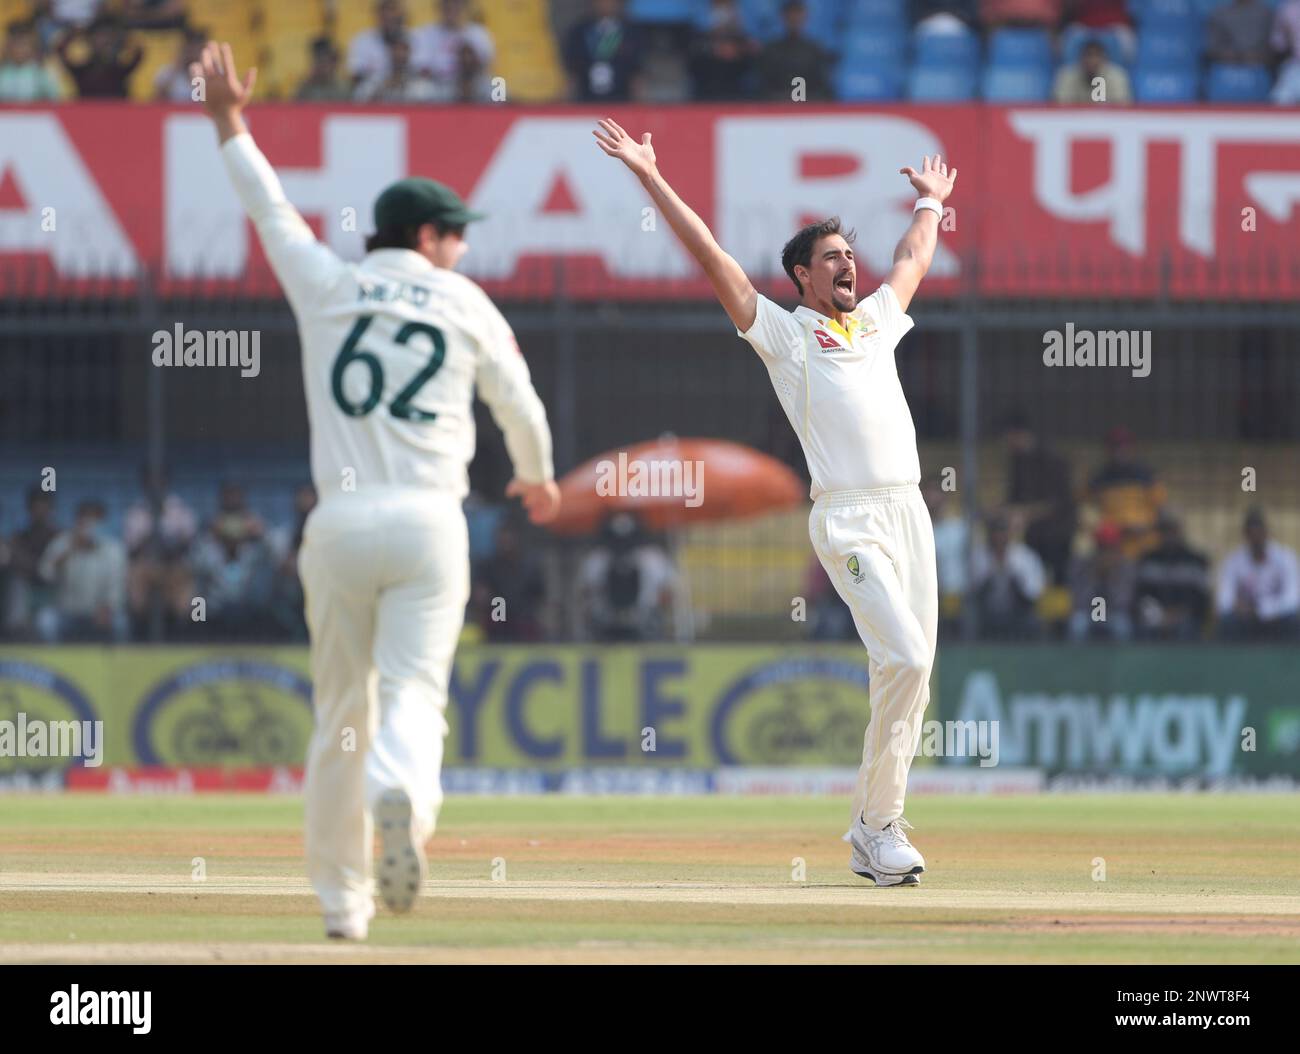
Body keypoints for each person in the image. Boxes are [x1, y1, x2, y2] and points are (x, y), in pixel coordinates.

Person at [193, 42, 558, 940]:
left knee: (338, 716)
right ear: (426, 239)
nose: (463, 245)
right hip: (434, 520)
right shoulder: (465, 301)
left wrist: (226, 119)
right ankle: (401, 790)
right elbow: (523, 404)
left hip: (342, 522)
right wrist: (538, 480)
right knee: (412, 700)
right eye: (456, 232)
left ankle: (341, 904)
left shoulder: (329, 285)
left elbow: (272, 211)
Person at [596, 117, 956, 886]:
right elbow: (713, 259)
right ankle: (879, 825)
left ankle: (874, 831)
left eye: (848, 254)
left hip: (909, 513)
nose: (847, 264)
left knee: (913, 675)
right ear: (801, 277)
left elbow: (913, 259)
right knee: (908, 655)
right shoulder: (787, 336)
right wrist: (650, 176)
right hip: (848, 517)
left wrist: (929, 203)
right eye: (831, 259)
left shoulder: (877, 322)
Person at [36, 499, 127, 643]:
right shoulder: (62, 543)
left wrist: (108, 607)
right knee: (46, 621)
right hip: (67, 613)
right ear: (77, 521)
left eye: (94, 521)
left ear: (102, 523)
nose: (89, 526)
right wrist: (70, 549)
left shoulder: (113, 549)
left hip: (100, 613)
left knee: (121, 623)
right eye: (85, 521)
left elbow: (116, 587)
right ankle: (55, 663)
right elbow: (45, 574)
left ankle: (120, 663)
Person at [577, 513, 677, 642]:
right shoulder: (653, 558)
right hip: (612, 626)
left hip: (637, 625)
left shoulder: (597, 559)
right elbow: (669, 593)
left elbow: (585, 594)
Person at [1002, 412, 1076, 582]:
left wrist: (1024, 514)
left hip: (1056, 533)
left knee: (1058, 581)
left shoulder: (1051, 459)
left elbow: (1056, 503)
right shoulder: (1017, 461)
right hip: (1032, 533)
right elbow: (1014, 498)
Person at [1216, 509, 1300, 641]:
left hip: (1277, 617)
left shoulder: (1286, 558)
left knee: (1294, 620)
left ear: (1266, 533)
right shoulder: (1233, 561)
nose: (1256, 539)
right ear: (1246, 535)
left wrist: (1263, 609)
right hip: (1245, 619)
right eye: (1251, 534)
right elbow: (1224, 600)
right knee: (1227, 622)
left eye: (1259, 533)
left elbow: (1292, 599)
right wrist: (1240, 608)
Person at [1086, 425, 1165, 557]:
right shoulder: (1099, 478)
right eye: (1114, 446)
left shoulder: (1146, 475)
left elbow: (1161, 508)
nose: (1119, 451)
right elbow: (1085, 509)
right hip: (1112, 547)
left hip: (1144, 544)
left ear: (1132, 448)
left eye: (1123, 446)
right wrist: (1106, 529)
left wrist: (1145, 526)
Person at [1134, 512, 1209, 641]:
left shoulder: (1196, 560)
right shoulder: (1148, 559)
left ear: (1181, 530)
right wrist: (1159, 615)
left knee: (1186, 629)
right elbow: (1141, 596)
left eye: (1173, 529)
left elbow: (1201, 599)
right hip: (1155, 617)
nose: (1169, 535)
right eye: (1165, 530)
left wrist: (1178, 614)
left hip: (1186, 618)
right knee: (1144, 629)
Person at [970, 512, 1045, 640]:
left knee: (1033, 622)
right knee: (971, 620)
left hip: (1019, 615)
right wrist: (992, 575)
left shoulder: (1025, 556)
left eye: (1003, 532)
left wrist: (1011, 575)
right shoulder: (979, 556)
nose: (999, 537)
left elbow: (1033, 595)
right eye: (996, 532)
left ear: (1009, 534)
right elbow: (973, 594)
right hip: (987, 615)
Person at [409, 0, 494, 101]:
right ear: (439, 6)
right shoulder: (424, 34)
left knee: (497, 88)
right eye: (447, 4)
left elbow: (485, 66)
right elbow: (421, 69)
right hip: (438, 86)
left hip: (471, 84)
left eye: (456, 3)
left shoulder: (479, 34)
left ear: (465, 6)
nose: (452, 8)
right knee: (419, 89)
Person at [3, 488, 60, 638]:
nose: (40, 512)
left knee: (47, 620)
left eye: (44, 507)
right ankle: (16, 629)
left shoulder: (60, 536)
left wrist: (35, 566)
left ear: (51, 509)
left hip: (55, 593)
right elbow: (13, 560)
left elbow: (48, 571)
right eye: (36, 507)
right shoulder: (19, 537)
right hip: (25, 588)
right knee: (16, 580)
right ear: (29, 509)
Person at [563, 0, 643, 103]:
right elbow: (572, 72)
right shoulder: (579, 31)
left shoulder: (631, 32)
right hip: (585, 100)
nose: (605, 4)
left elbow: (637, 72)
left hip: (621, 100)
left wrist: (637, 105)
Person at [1067, 521, 1135, 642]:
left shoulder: (1125, 567)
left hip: (1113, 613)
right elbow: (1078, 600)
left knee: (1121, 626)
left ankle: (1124, 660)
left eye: (1110, 548)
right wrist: (1094, 576)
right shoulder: (1081, 564)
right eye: (1103, 548)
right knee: (1077, 624)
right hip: (1088, 612)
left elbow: (1123, 602)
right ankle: (1077, 660)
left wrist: (1111, 577)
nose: (1106, 553)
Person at [756, 1, 831, 102]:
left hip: (809, 107)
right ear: (783, 17)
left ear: (805, 16)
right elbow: (763, 87)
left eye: (798, 14)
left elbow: (823, 89)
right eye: (791, 14)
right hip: (777, 108)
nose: (794, 18)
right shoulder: (771, 50)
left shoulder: (815, 50)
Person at [56, 16, 141, 98]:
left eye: (108, 38)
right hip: (86, 111)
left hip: (116, 111)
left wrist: (125, 38)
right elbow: (60, 50)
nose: (104, 42)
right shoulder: (81, 70)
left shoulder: (120, 70)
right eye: (99, 38)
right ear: (90, 41)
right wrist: (75, 34)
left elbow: (139, 52)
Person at [347, 0, 408, 86]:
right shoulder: (362, 41)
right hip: (374, 92)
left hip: (405, 91)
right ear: (377, 14)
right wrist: (383, 83)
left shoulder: (411, 38)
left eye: (392, 10)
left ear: (401, 14)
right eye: (384, 10)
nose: (388, 15)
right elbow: (356, 75)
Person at [1052, 39, 1131, 104]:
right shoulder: (1067, 75)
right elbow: (1060, 107)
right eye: (1088, 55)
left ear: (1105, 59)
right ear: (1080, 59)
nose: (1092, 61)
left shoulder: (1117, 76)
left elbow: (1122, 108)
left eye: (1096, 56)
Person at [0, 20, 62, 102]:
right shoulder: (2, 72)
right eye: (16, 44)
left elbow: (56, 100)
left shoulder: (41, 73)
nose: (19, 50)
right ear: (8, 46)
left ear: (32, 47)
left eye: (24, 44)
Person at [1207, 0, 1274, 66]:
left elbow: (1273, 48)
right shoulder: (1220, 14)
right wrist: (1231, 56)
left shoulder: (1266, 13)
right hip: (1226, 67)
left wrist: (1255, 56)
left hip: (1259, 68)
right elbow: (1212, 49)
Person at [152, 26, 205, 102]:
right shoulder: (166, 71)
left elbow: (205, 100)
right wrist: (175, 69)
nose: (193, 53)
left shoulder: (212, 73)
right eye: (190, 48)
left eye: (196, 49)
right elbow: (157, 100)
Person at [295, 37, 352, 102]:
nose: (321, 65)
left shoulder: (342, 87)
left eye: (324, 61)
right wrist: (307, 83)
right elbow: (294, 106)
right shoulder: (306, 85)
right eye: (318, 61)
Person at [1272, 0, 1300, 104]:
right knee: (1282, 99)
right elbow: (1278, 45)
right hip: (1296, 67)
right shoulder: (1289, 8)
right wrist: (1286, 35)